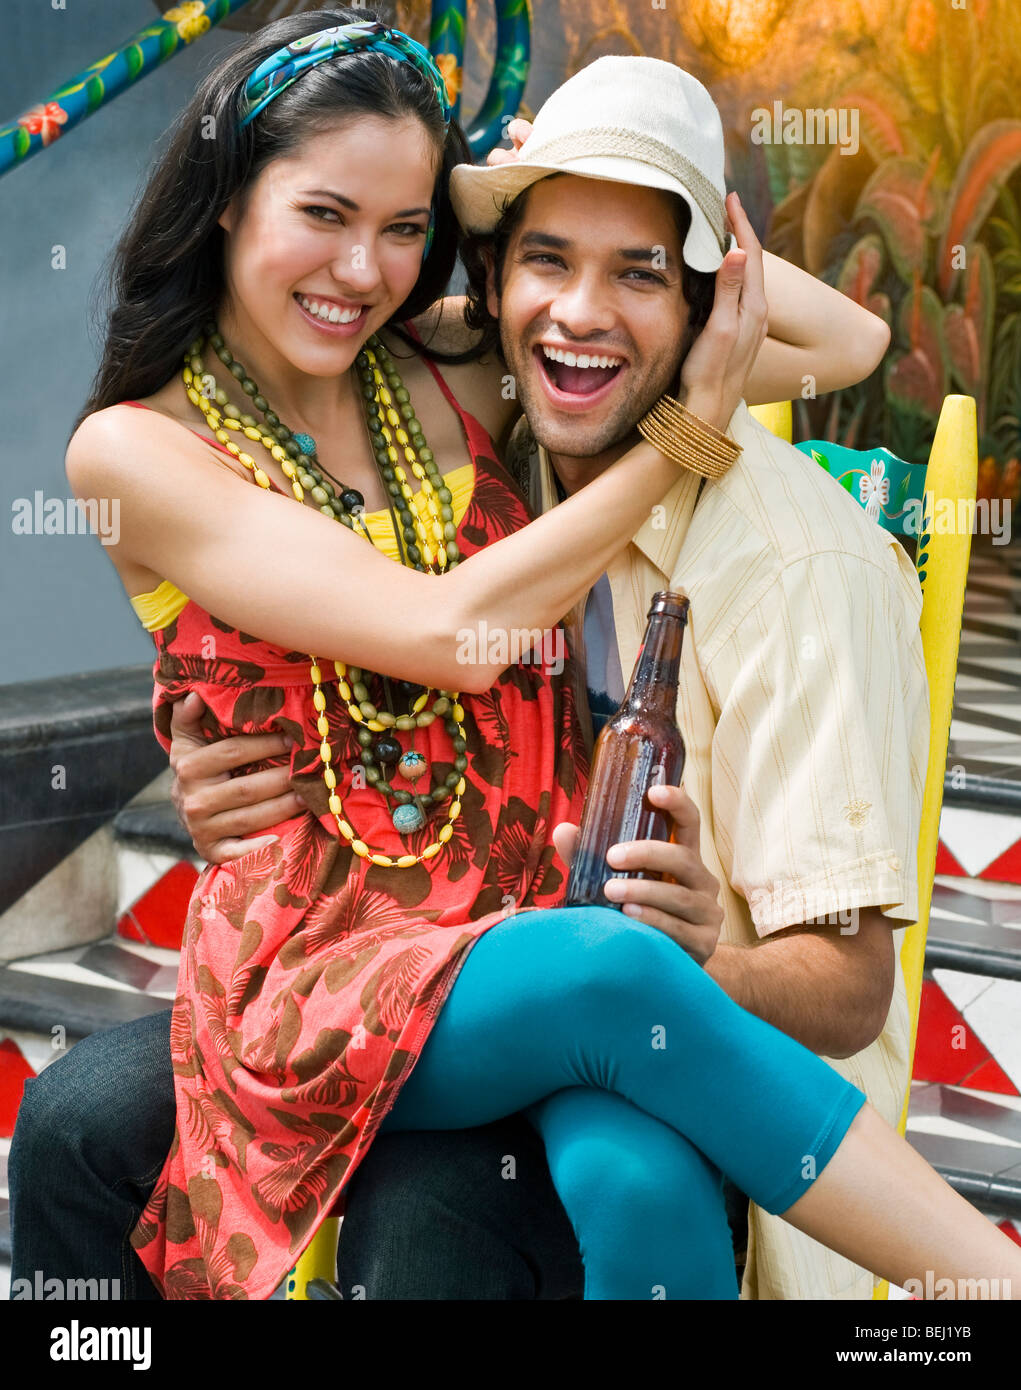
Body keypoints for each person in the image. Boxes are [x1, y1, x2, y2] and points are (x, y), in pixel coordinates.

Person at [11, 13, 1019, 1303]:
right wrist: (686, 435)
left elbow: (843, 346)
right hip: (326, 958)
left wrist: (582, 170)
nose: (363, 269)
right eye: (323, 212)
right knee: (605, 978)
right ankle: (988, 1287)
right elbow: (451, 639)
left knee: (613, 1139)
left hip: (489, 915)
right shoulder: (134, 452)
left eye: (405, 225)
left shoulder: (438, 365)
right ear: (222, 202)